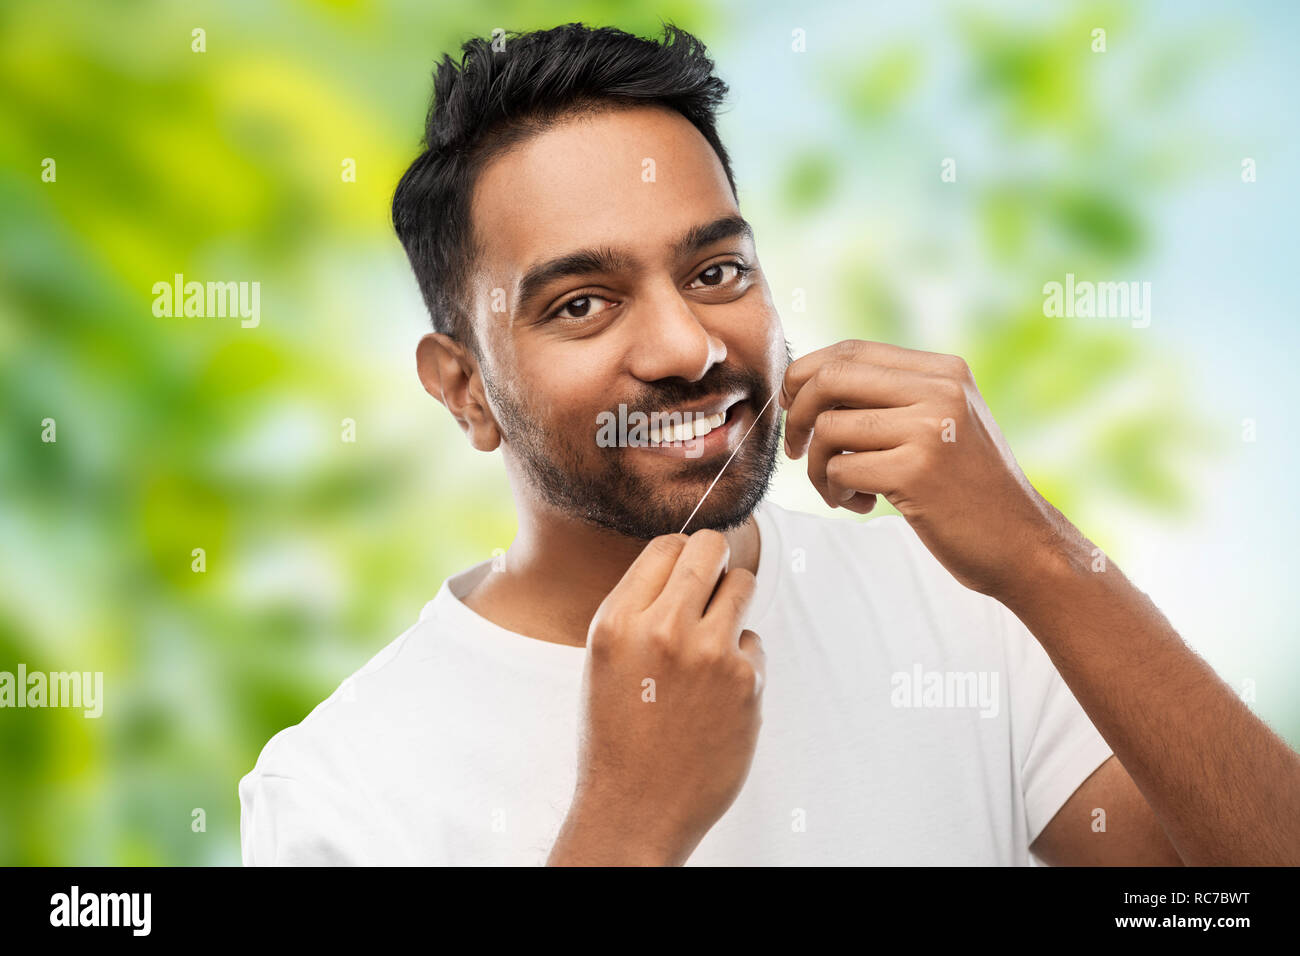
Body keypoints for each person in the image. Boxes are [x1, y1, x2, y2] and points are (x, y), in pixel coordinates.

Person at [238, 22, 1300, 866]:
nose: (687, 345)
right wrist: (628, 826)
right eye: (581, 303)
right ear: (464, 388)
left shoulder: (960, 605)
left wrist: (1044, 558)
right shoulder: (342, 788)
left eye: (714, 272)